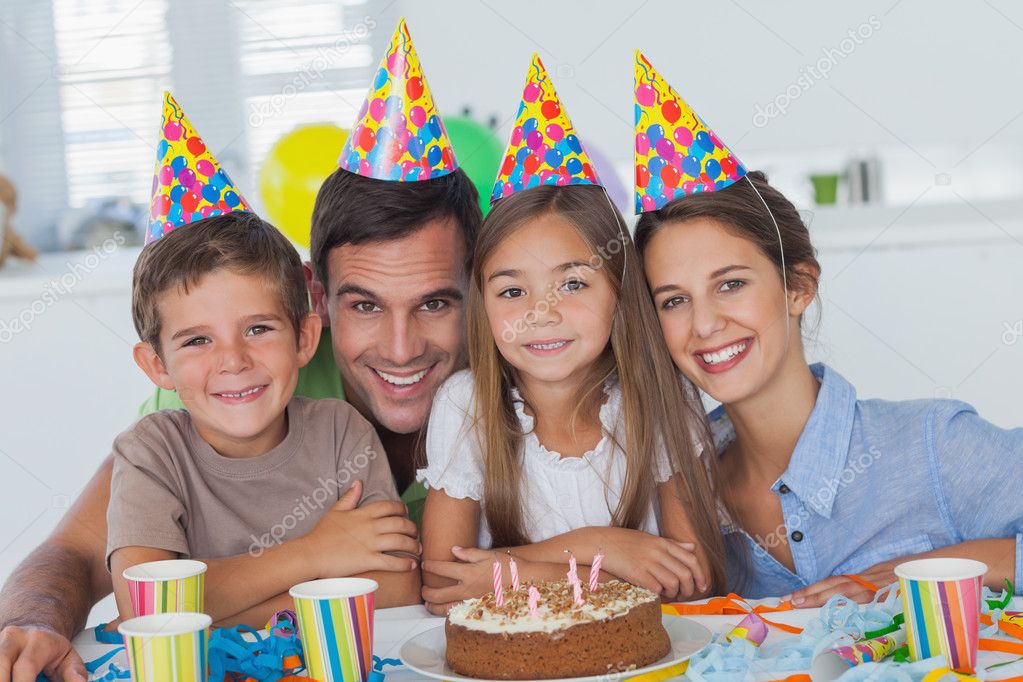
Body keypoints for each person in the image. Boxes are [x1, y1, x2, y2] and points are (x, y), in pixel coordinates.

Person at [0, 20, 480, 680]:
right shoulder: (203, 403)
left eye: (435, 302)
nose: (401, 348)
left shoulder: (513, 377)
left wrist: (192, 610)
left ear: (477, 293)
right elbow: (81, 557)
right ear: (317, 300)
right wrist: (29, 623)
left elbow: (397, 590)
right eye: (363, 304)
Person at [631, 54, 1023, 603]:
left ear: (799, 287)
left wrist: (928, 567)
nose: (704, 324)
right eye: (674, 300)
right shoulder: (681, 492)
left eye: (731, 284)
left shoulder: (934, 445)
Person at [418, 55, 724, 616]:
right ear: (482, 306)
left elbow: (693, 583)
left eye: (574, 283)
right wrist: (603, 548)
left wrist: (518, 570)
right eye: (512, 292)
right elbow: (443, 583)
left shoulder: (659, 401)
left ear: (619, 292)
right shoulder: (465, 406)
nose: (541, 313)